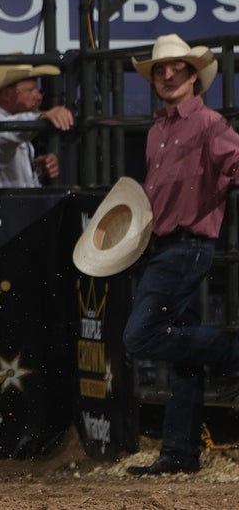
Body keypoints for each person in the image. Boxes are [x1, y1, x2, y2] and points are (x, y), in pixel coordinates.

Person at [122, 33, 239, 476]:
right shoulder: (159, 130)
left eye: (176, 69)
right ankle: (180, 451)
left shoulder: (209, 124)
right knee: (182, 353)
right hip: (167, 246)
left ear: (193, 77)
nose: (167, 75)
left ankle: (232, 350)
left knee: (139, 336)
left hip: (186, 246)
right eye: (160, 70)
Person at [0, 61, 75, 188]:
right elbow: (6, 135)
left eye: (37, 90)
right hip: (0, 201)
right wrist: (40, 117)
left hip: (9, 200)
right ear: (7, 94)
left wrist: (37, 170)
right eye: (30, 90)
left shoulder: (12, 122)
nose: (38, 96)